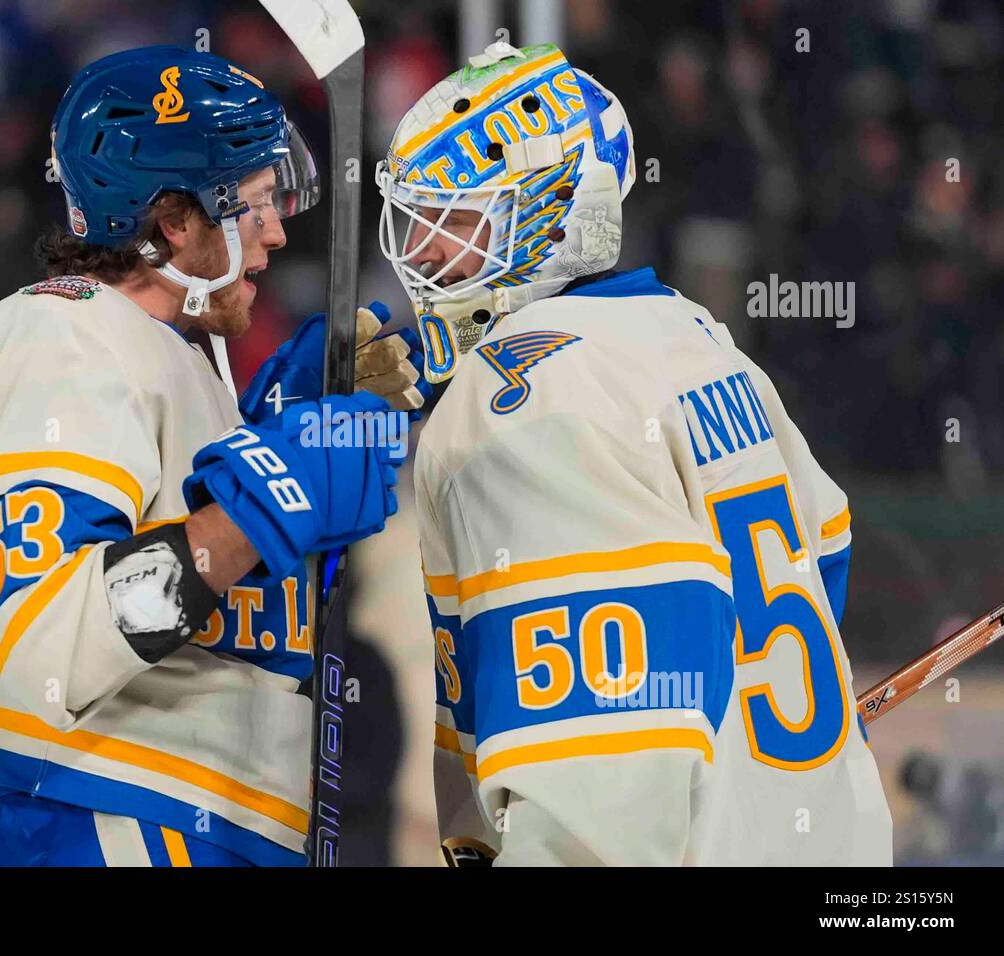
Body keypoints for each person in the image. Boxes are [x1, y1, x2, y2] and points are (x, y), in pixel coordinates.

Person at [0, 45, 425, 867]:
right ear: (173, 222)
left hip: (191, 819)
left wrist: (270, 430)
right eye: (254, 206)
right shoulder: (61, 335)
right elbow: (52, 635)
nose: (274, 232)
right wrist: (262, 505)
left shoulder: (168, 349)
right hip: (108, 822)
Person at [376, 42, 892, 865]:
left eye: (460, 217)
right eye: (422, 219)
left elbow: (601, 768)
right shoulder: (697, 338)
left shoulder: (520, 399)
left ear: (556, 215)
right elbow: (823, 547)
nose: (426, 251)